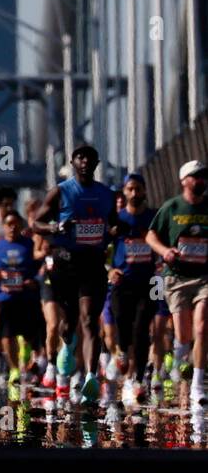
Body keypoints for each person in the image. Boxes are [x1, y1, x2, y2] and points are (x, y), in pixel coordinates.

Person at [30, 145, 118, 404]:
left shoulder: (106, 194)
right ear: (72, 162)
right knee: (67, 323)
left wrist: (114, 229)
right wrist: (56, 226)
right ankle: (67, 345)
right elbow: (35, 223)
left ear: (97, 162)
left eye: (90, 158)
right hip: (65, 264)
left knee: (90, 320)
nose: (85, 162)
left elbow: (113, 223)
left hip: (92, 263)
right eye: (80, 158)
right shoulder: (60, 191)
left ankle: (91, 376)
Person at [145, 160, 208, 407]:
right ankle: (180, 357)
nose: (201, 181)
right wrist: (164, 251)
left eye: (203, 177)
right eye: (196, 177)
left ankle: (197, 385)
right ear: (184, 180)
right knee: (183, 334)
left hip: (204, 276)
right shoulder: (171, 207)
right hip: (177, 277)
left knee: (202, 328)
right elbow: (151, 235)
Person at [108, 174, 157, 406]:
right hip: (122, 281)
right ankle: (121, 350)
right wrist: (108, 269)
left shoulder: (153, 218)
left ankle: (136, 380)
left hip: (149, 283)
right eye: (130, 189)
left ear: (145, 191)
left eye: (138, 189)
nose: (135, 193)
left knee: (142, 329)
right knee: (121, 319)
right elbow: (98, 246)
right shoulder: (117, 219)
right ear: (124, 193)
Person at [0, 211, 41, 391]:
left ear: (21, 225)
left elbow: (41, 268)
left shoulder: (29, 244)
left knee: (29, 335)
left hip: (26, 298)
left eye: (16, 223)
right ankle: (15, 369)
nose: (12, 227)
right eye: (9, 224)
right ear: (4, 226)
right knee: (7, 336)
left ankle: (28, 364)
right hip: (5, 298)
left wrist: (35, 281)